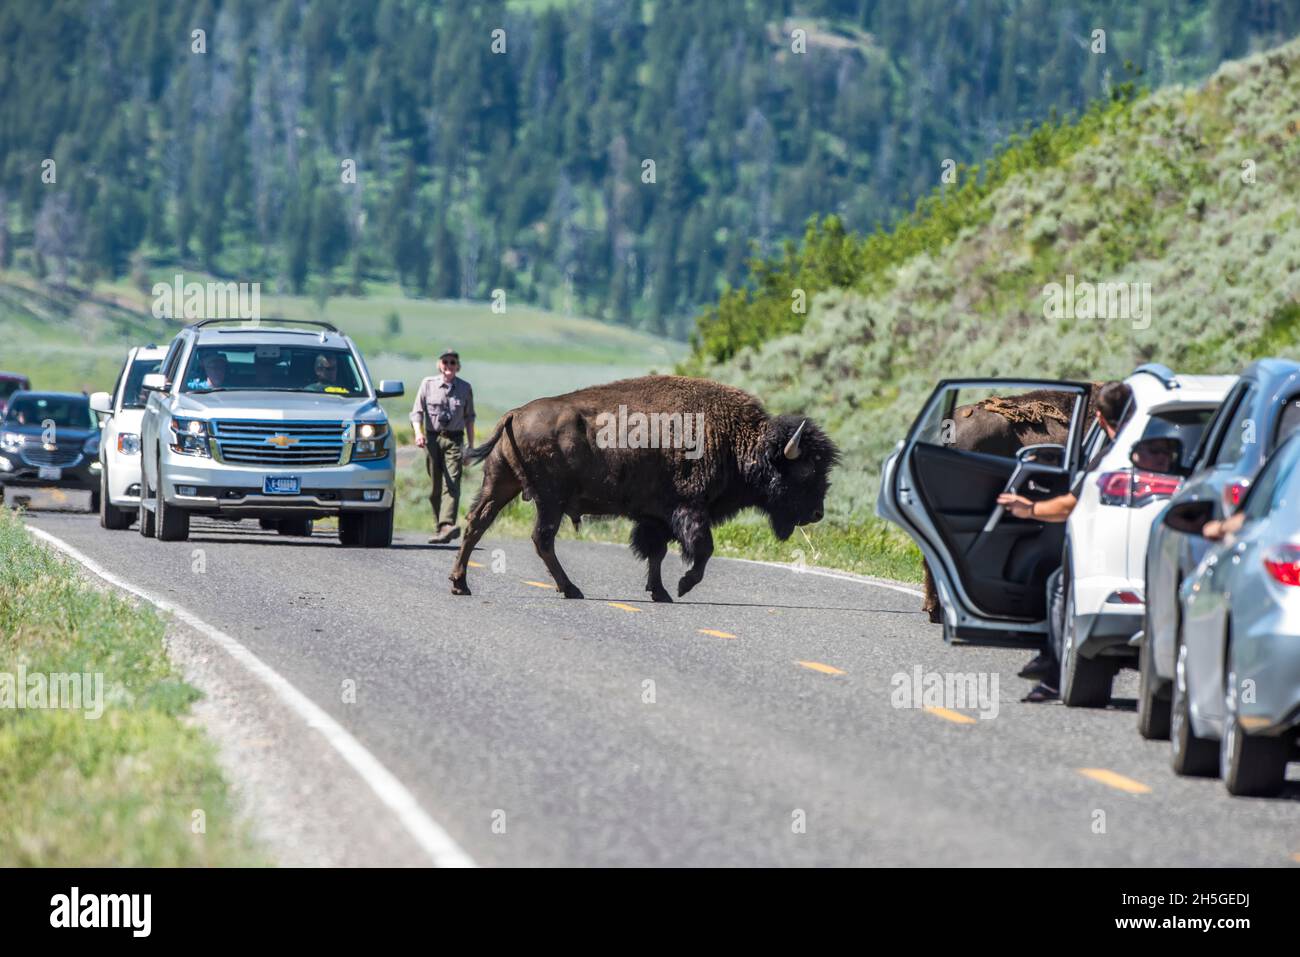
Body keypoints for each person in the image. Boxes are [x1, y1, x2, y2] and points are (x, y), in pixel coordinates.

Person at [995, 380, 1133, 702]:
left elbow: (1070, 505)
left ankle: (1056, 672)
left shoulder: (1107, 459)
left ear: (1099, 419)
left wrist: (1030, 509)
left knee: (1059, 583)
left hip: (1113, 555)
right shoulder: (1165, 451)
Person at [410, 349, 475, 544]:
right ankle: (440, 527)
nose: (448, 366)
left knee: (452, 481)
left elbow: (469, 418)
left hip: (455, 440)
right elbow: (416, 413)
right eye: (445, 362)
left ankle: (447, 524)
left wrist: (470, 448)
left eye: (452, 362)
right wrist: (418, 433)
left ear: (458, 366)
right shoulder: (427, 384)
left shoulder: (465, 388)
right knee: (436, 487)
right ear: (439, 365)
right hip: (432, 439)